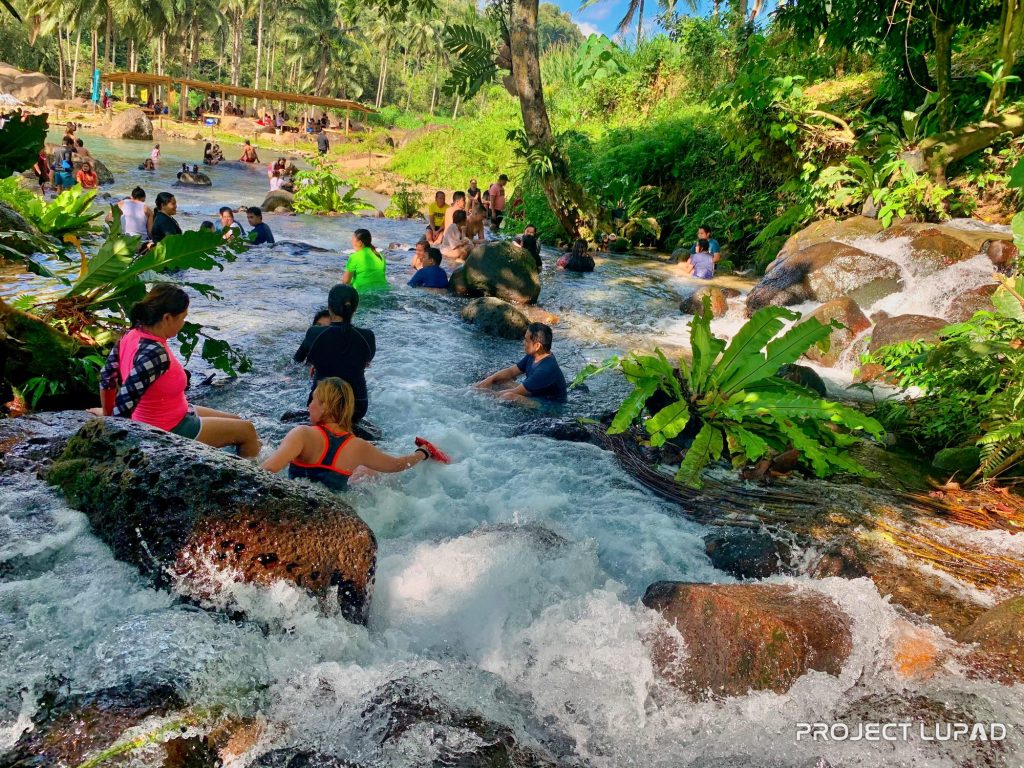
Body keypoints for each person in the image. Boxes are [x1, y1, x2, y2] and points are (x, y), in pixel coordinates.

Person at [98, 284, 260, 457]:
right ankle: (252, 477)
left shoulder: (130, 335)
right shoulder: (155, 354)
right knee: (247, 431)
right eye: (183, 318)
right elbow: (124, 403)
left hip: (177, 411)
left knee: (238, 421)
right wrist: (113, 433)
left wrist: (106, 415)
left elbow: (107, 377)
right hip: (167, 427)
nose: (183, 324)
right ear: (167, 318)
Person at [261, 377, 439, 491]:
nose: (309, 405)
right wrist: (422, 452)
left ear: (325, 406)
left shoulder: (301, 434)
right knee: (365, 472)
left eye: (313, 399)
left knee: (363, 471)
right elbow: (397, 465)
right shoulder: (358, 446)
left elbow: (267, 470)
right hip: (335, 511)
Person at [293, 284, 376, 423]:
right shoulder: (367, 336)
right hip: (357, 407)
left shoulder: (314, 333)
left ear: (329, 307)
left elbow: (298, 359)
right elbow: (365, 361)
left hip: (321, 405)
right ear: (355, 309)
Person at [474, 323, 568, 404]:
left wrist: (482, 395)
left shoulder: (545, 370)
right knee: (497, 379)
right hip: (535, 393)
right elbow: (511, 372)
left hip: (549, 405)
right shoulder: (534, 355)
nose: (523, 343)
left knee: (508, 397)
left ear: (537, 346)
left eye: (526, 340)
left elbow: (516, 392)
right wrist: (488, 380)